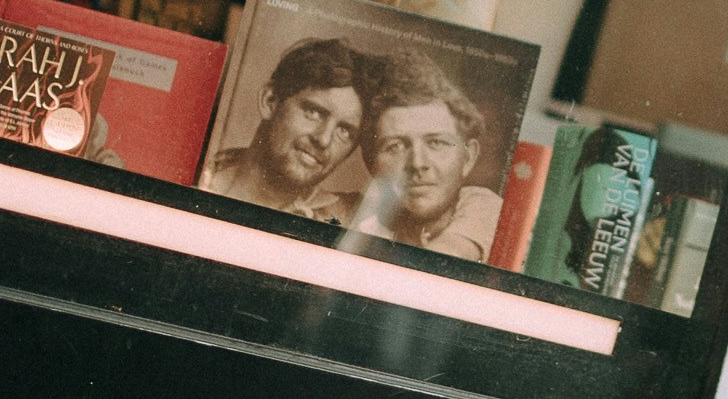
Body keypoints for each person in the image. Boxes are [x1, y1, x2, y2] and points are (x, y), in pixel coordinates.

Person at [341, 49, 503, 261]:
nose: (418, 163)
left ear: (468, 157)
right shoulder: (345, 215)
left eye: (436, 143)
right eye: (396, 146)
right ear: (371, 163)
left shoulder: (487, 212)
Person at [202, 38, 367, 221]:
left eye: (344, 131)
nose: (323, 139)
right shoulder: (198, 172)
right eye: (313, 112)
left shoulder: (344, 220)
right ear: (270, 100)